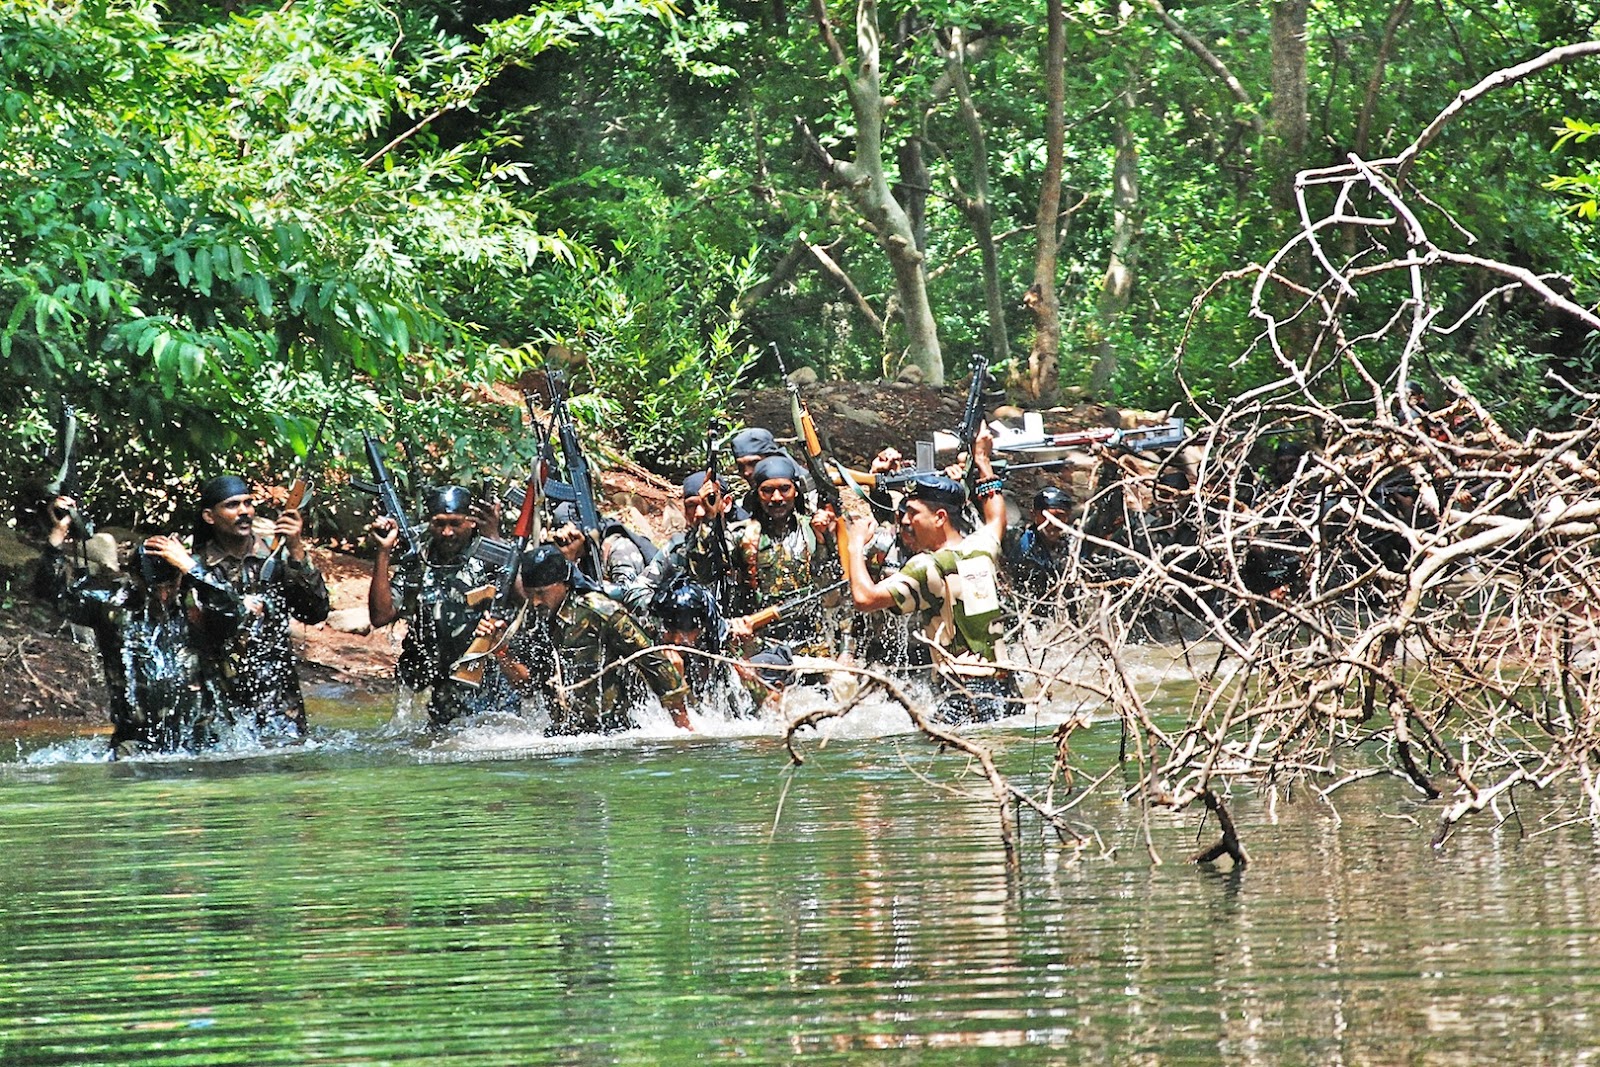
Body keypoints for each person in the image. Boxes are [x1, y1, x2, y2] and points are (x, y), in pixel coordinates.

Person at [824, 423, 1015, 724]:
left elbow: (864, 598)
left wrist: (854, 545)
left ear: (940, 518)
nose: (907, 521)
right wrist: (982, 460)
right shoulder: (982, 545)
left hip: (963, 689)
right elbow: (996, 516)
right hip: (1007, 685)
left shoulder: (927, 566)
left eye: (913, 513)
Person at [34, 495, 244, 757]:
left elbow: (234, 612)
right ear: (134, 578)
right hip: (135, 742)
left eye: (170, 586)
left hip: (202, 742)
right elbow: (50, 592)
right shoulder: (114, 605)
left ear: (180, 576)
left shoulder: (200, 601)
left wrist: (190, 566)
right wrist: (59, 533)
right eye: (155, 589)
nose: (164, 596)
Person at [486, 545, 690, 735]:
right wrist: (500, 651)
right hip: (562, 735)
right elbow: (528, 686)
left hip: (611, 733)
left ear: (563, 584)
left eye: (541, 593)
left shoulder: (600, 612)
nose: (536, 601)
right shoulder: (536, 621)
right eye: (530, 595)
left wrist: (682, 726)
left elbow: (652, 660)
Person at [367, 485, 521, 728]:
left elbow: (524, 597)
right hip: (439, 685)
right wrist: (384, 552)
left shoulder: (492, 552)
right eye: (439, 524)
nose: (447, 532)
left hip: (488, 682)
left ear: (471, 522)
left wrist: (494, 538)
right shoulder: (420, 558)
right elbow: (381, 615)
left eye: (455, 523)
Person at [191, 474, 330, 739]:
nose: (244, 511)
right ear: (210, 516)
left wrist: (297, 550)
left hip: (279, 698)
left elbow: (315, 612)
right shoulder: (197, 567)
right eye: (232, 505)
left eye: (248, 503)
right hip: (221, 697)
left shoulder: (277, 557)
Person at [726, 455, 842, 659]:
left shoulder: (812, 530)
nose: (777, 498)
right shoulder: (741, 535)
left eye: (784, 489)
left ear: (796, 491)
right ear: (757, 494)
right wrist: (709, 517)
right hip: (760, 643)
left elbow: (835, 590)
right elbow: (704, 571)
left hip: (813, 642)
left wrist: (824, 542)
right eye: (768, 491)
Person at [619, 471, 746, 618]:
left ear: (726, 503)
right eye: (691, 505)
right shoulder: (679, 548)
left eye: (707, 502)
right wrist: (669, 608)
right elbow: (635, 592)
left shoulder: (745, 543)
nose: (699, 512)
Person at [1005, 485, 1075, 608]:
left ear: (1068, 517)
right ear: (1033, 515)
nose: (1052, 522)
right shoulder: (1019, 540)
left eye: (1059, 516)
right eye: (1047, 516)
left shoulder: (1071, 545)